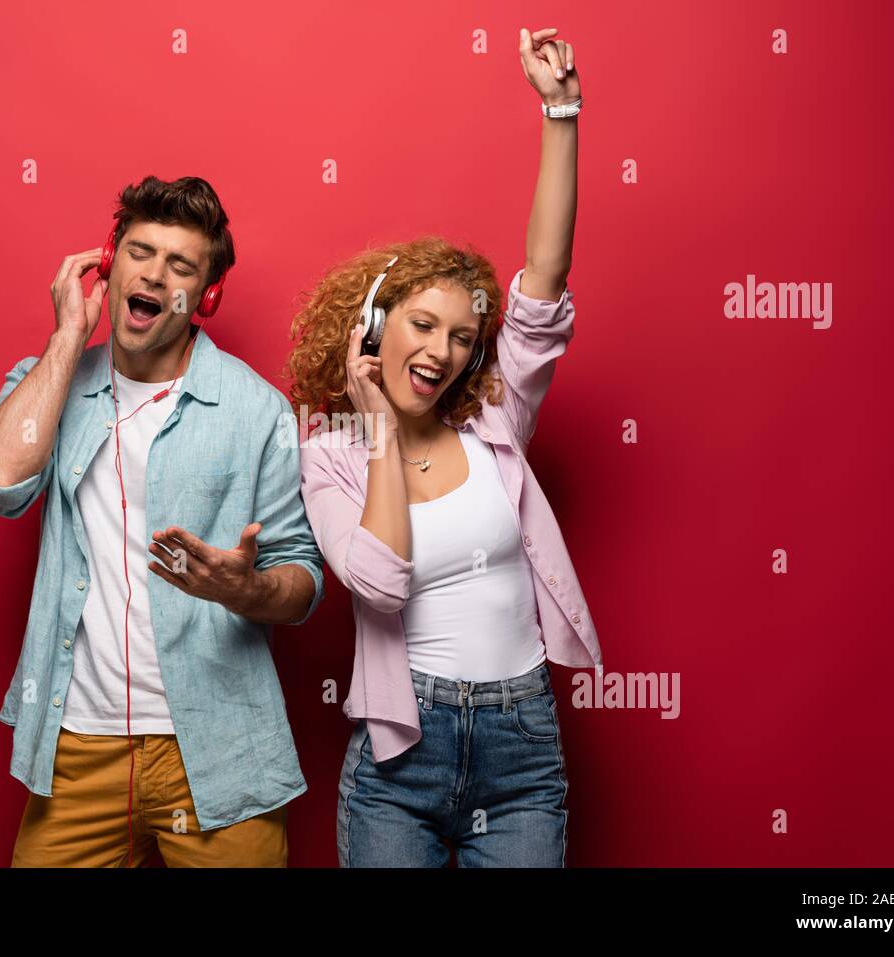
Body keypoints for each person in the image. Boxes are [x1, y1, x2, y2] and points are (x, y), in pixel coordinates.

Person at [287, 28, 601, 867]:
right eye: (423, 324)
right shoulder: (331, 453)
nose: (443, 349)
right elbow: (382, 585)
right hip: (402, 756)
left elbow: (544, 281)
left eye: (463, 335)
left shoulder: (494, 419)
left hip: (522, 741)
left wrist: (559, 111)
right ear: (374, 328)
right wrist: (383, 433)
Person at [0, 175, 325, 867]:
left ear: (204, 295)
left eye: (180, 265)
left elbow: (303, 577)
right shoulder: (51, 380)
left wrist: (244, 590)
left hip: (221, 746)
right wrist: (69, 337)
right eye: (139, 250)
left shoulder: (257, 410)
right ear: (110, 262)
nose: (154, 273)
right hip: (77, 746)